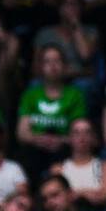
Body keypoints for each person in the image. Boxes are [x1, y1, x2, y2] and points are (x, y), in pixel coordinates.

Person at [15, 46, 87, 184]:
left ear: (65, 66)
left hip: (64, 149)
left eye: (57, 61)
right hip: (35, 149)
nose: (53, 66)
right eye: (47, 61)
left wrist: (60, 140)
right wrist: (39, 139)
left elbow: (80, 132)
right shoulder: (31, 95)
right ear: (41, 67)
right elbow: (22, 133)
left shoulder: (75, 95)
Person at [53, 117, 106, 211]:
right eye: (76, 133)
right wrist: (92, 193)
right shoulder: (58, 168)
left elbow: (105, 197)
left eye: (87, 132)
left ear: (93, 138)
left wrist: (77, 194)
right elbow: (58, 199)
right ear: (69, 138)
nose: (82, 137)